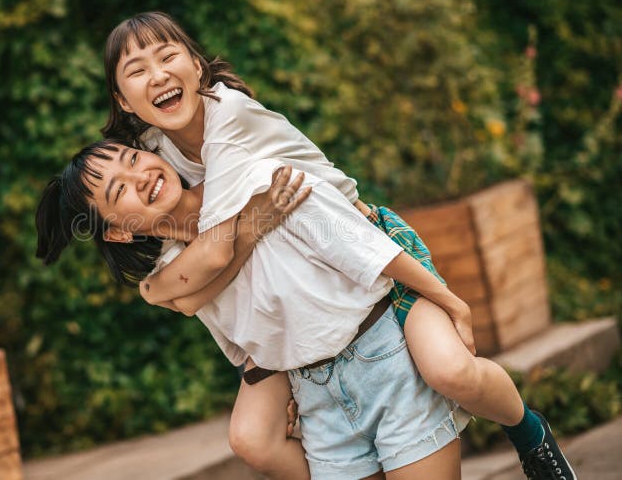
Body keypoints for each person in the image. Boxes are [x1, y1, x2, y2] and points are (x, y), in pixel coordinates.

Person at [94, 11, 575, 480]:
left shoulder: (229, 122)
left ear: (197, 66)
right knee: (251, 436)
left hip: (371, 247)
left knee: (451, 371)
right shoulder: (151, 156)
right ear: (123, 100)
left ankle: (529, 432)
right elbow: (197, 268)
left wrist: (170, 292)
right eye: (137, 71)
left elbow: (217, 253)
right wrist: (166, 286)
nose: (157, 76)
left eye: (167, 57)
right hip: (319, 303)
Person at [37, 140, 470, 478]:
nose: (140, 176)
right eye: (119, 190)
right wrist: (278, 373)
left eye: (132, 159)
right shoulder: (172, 269)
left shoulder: (261, 182)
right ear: (115, 233)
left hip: (383, 363)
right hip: (319, 401)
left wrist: (448, 302)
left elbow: (361, 250)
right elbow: (240, 331)